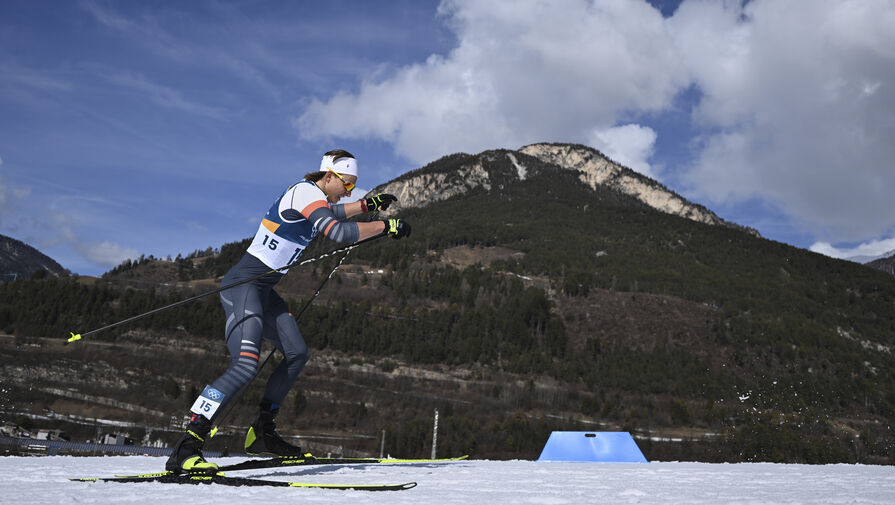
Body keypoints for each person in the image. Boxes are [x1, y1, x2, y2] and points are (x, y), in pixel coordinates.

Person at [166, 149, 410, 473]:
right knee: (245, 366)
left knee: (297, 353)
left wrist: (365, 206)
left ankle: (263, 432)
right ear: (328, 176)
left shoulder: (317, 200)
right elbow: (335, 231)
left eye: (353, 188)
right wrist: (384, 225)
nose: (349, 192)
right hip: (244, 287)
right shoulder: (304, 192)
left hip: (264, 292)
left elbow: (335, 213)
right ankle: (186, 447)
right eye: (347, 185)